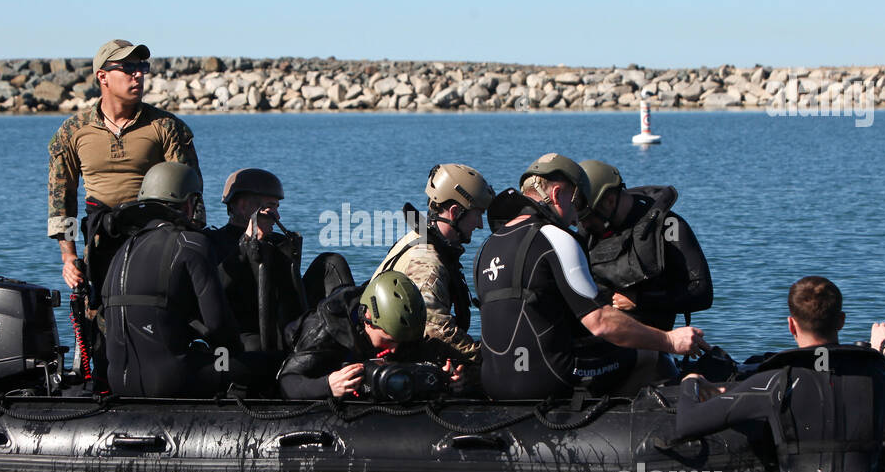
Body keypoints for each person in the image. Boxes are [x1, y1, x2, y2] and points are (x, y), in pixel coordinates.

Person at [673, 276, 885, 472]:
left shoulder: (772, 384)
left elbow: (687, 423)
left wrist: (691, 383)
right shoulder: (876, 377)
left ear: (791, 325)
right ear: (841, 320)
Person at [475, 153, 707, 401]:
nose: (577, 219)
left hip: (493, 384)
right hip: (549, 379)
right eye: (576, 205)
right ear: (556, 195)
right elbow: (601, 322)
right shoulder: (556, 237)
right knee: (652, 355)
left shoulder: (488, 245)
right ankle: (677, 414)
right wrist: (670, 341)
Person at [101, 163, 268, 398]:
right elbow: (219, 326)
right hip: (172, 380)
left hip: (119, 382)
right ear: (189, 203)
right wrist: (237, 359)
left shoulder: (123, 249)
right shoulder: (191, 244)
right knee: (270, 362)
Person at [47, 39, 199, 293]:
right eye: (128, 68)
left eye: (142, 67)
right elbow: (62, 201)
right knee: (100, 319)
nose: (138, 74)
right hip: (100, 241)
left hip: (156, 240)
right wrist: (68, 257)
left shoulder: (166, 126)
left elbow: (192, 195)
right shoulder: (72, 131)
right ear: (103, 76)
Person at [372, 164, 494, 392]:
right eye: (477, 214)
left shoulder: (416, 237)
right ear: (456, 212)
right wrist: (486, 360)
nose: (480, 224)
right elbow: (435, 328)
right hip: (398, 364)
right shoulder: (427, 261)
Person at [278, 271, 459, 399]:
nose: (395, 349)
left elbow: (425, 357)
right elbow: (287, 381)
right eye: (389, 340)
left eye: (402, 341)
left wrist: (443, 377)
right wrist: (328, 385)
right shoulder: (324, 331)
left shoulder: (401, 332)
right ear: (368, 318)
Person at [577, 160, 713, 331]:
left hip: (651, 340)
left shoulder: (669, 226)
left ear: (610, 201)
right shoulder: (588, 232)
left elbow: (702, 292)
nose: (585, 224)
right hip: (598, 330)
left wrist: (640, 300)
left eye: (588, 217)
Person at [204, 168, 309, 353]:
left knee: (331, 262)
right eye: (270, 207)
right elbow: (213, 290)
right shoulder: (212, 242)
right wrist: (247, 244)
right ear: (244, 206)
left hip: (287, 327)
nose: (278, 216)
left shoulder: (279, 242)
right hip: (245, 332)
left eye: (277, 207)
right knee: (257, 347)